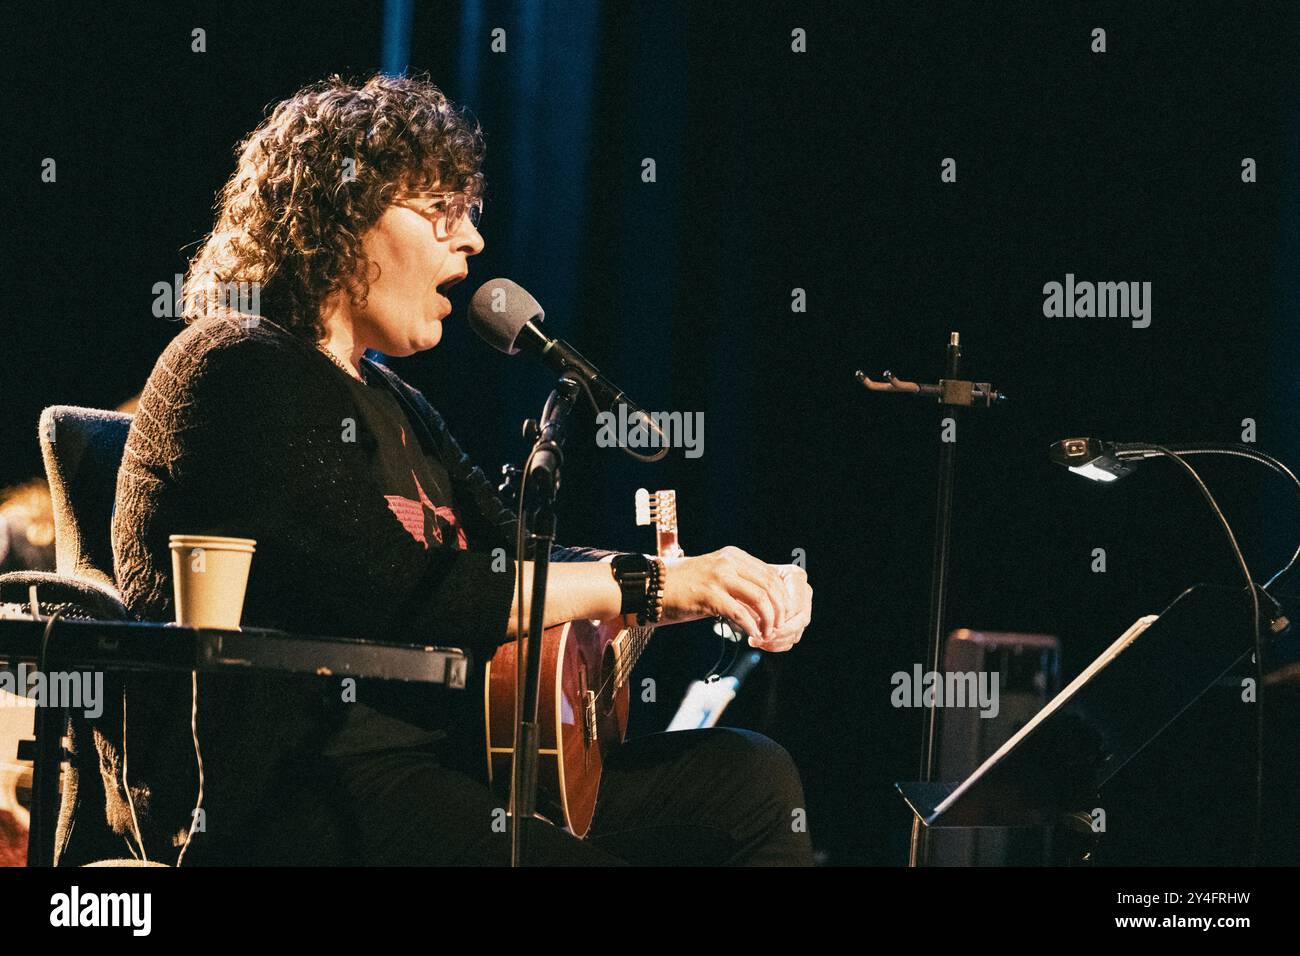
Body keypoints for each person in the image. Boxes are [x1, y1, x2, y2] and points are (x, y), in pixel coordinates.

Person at [107, 73, 814, 866]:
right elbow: (396, 589)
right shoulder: (234, 361)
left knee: (749, 780)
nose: (474, 239)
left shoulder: (396, 399)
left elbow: (512, 560)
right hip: (298, 788)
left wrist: (694, 588)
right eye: (442, 209)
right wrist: (644, 583)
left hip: (444, 770)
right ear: (342, 217)